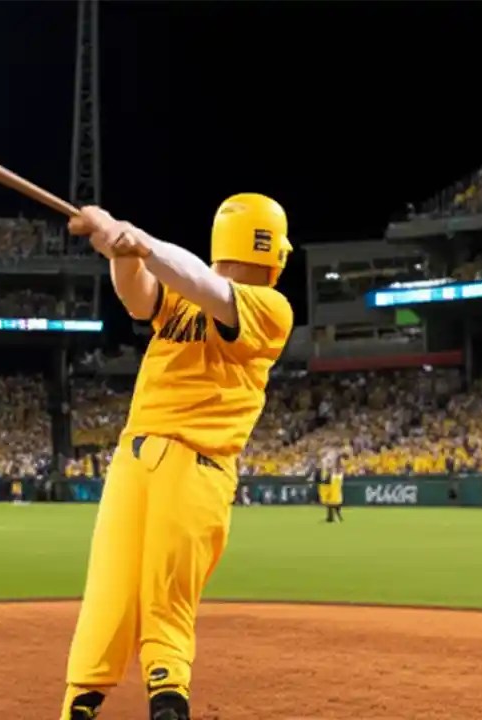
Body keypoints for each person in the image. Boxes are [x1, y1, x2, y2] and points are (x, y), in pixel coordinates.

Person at [59, 195, 294, 720]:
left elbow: (203, 284)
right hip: (133, 456)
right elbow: (140, 299)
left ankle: (168, 704)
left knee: (166, 599)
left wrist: (136, 236)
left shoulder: (270, 309)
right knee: (110, 592)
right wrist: (119, 251)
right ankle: (79, 705)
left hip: (197, 465)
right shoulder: (184, 295)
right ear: (273, 250)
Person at [317, 453, 344, 523]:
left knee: (334, 502)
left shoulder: (338, 468)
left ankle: (336, 517)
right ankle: (331, 517)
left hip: (335, 484)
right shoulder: (333, 468)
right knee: (330, 502)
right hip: (331, 484)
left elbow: (335, 471)